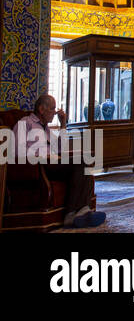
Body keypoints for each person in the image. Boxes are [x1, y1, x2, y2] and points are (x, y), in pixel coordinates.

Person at [17, 94, 106, 228]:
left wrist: (63, 123)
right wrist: (37, 157)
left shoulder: (45, 128)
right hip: (39, 165)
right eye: (52, 109)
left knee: (84, 160)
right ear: (41, 109)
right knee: (79, 161)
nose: (55, 112)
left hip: (54, 164)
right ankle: (73, 214)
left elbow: (60, 148)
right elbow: (17, 151)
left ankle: (82, 211)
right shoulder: (25, 123)